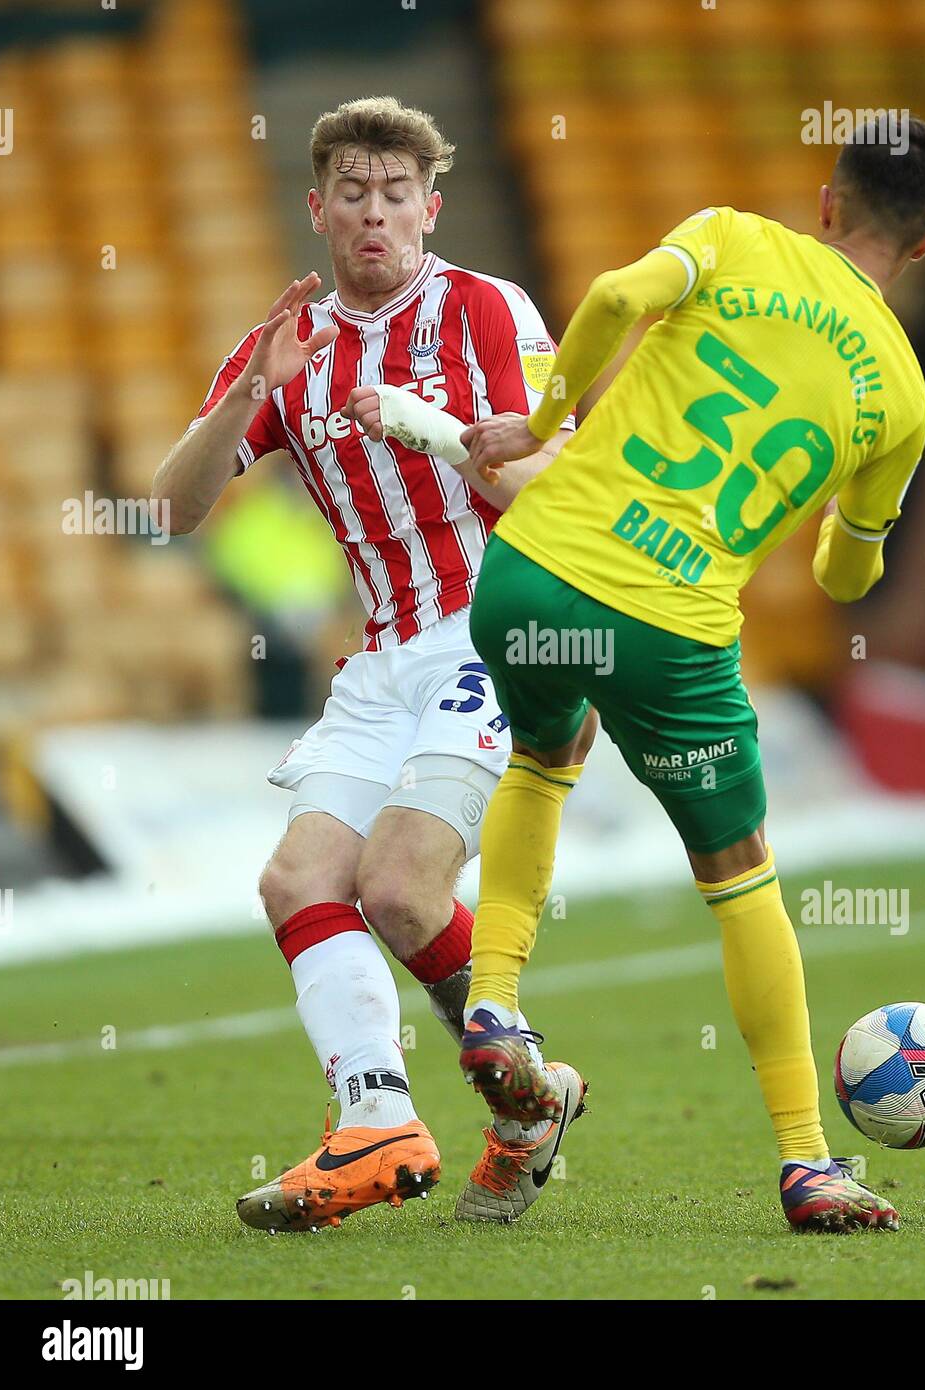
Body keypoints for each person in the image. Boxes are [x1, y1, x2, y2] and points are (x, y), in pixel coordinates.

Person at [454, 117, 925, 1232]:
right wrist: (839, 539)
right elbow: (844, 574)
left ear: (826, 201)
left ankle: (492, 1000)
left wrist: (538, 422)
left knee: (543, 753)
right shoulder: (905, 400)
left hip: (529, 572)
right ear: (923, 245)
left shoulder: (727, 237)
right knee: (741, 878)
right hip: (670, 628)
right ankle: (805, 1160)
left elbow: (615, 299)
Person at [151, 96, 584, 1231]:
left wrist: (432, 428)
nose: (375, 212)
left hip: (492, 630)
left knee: (398, 888)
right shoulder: (285, 348)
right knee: (296, 882)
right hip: (381, 656)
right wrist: (251, 390)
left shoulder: (487, 310)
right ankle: (390, 1115)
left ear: (430, 210)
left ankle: (509, 1103)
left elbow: (556, 483)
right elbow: (173, 506)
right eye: (353, 191)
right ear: (319, 208)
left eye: (396, 193)